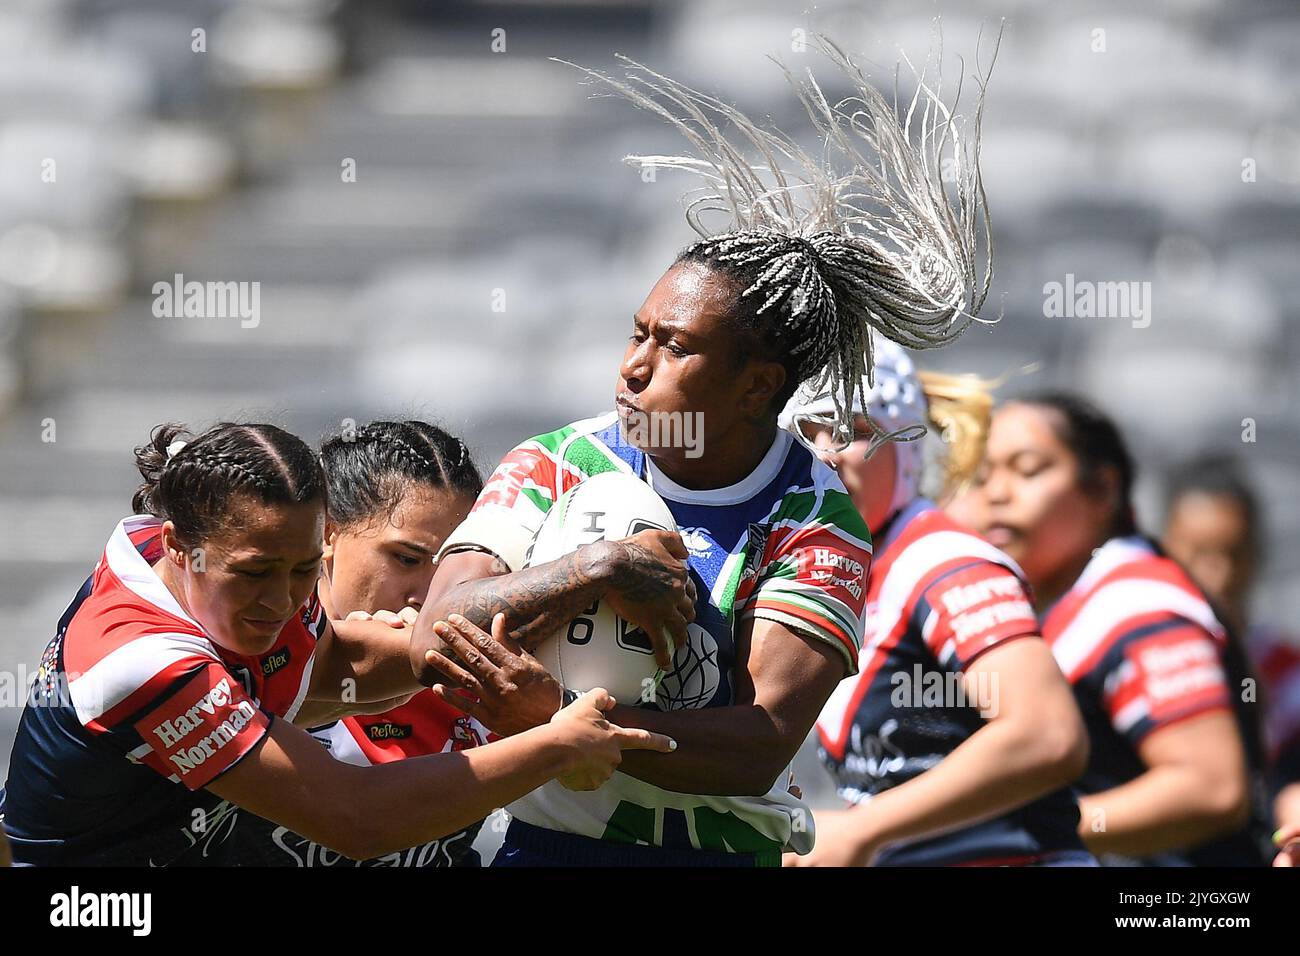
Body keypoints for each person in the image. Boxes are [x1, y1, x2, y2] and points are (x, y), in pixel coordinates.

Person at [409, 35, 997, 865]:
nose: (634, 367)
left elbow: (758, 740)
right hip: (539, 849)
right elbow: (433, 634)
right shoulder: (559, 460)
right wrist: (597, 568)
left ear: (757, 386)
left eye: (675, 346)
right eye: (637, 333)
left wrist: (561, 721)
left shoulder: (814, 517)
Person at [0, 421, 671, 866]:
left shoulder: (186, 558)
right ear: (180, 546)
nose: (284, 600)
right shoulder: (143, 660)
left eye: (300, 571)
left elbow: (334, 663)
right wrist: (556, 745)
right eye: (256, 573)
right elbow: (356, 818)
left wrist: (588, 576)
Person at [781, 340, 1092, 866]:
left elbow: (1048, 734)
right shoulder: (854, 573)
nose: (824, 454)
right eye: (803, 434)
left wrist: (862, 832)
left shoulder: (943, 563)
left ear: (906, 454)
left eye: (853, 431)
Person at [964, 394, 1269, 865]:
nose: (997, 493)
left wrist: (1018, 834)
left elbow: (1212, 788)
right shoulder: (1068, 602)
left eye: (1026, 470)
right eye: (984, 476)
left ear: (1104, 490)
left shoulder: (1135, 604)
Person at [235, 419, 497, 867]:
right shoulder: (236, 660)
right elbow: (360, 823)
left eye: (451, 568)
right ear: (326, 534)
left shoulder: (485, 670)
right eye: (407, 558)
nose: (428, 594)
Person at [1161, 453, 1300, 867]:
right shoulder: (1135, 660)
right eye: (1198, 552)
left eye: (1233, 553)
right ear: (1165, 547)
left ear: (1256, 554)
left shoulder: (1287, 674)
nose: (1218, 574)